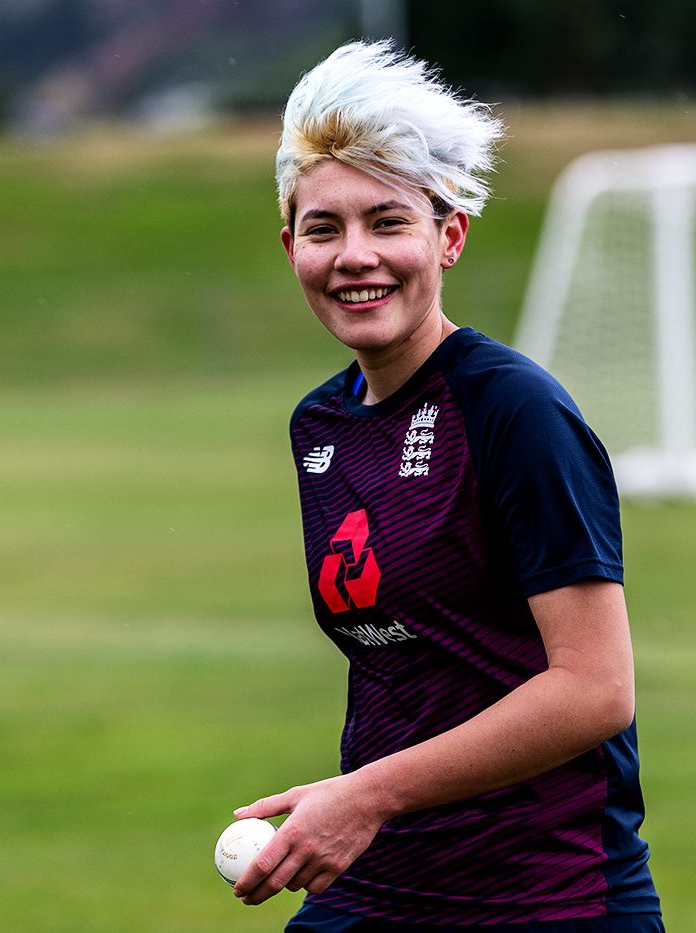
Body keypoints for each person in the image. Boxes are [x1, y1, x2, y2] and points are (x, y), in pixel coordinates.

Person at [232, 40, 663, 932]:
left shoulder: (515, 409)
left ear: (449, 234)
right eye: (324, 227)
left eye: (387, 221)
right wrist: (359, 800)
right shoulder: (320, 424)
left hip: (544, 897)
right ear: (291, 246)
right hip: (377, 886)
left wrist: (368, 795)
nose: (355, 255)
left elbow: (594, 687)